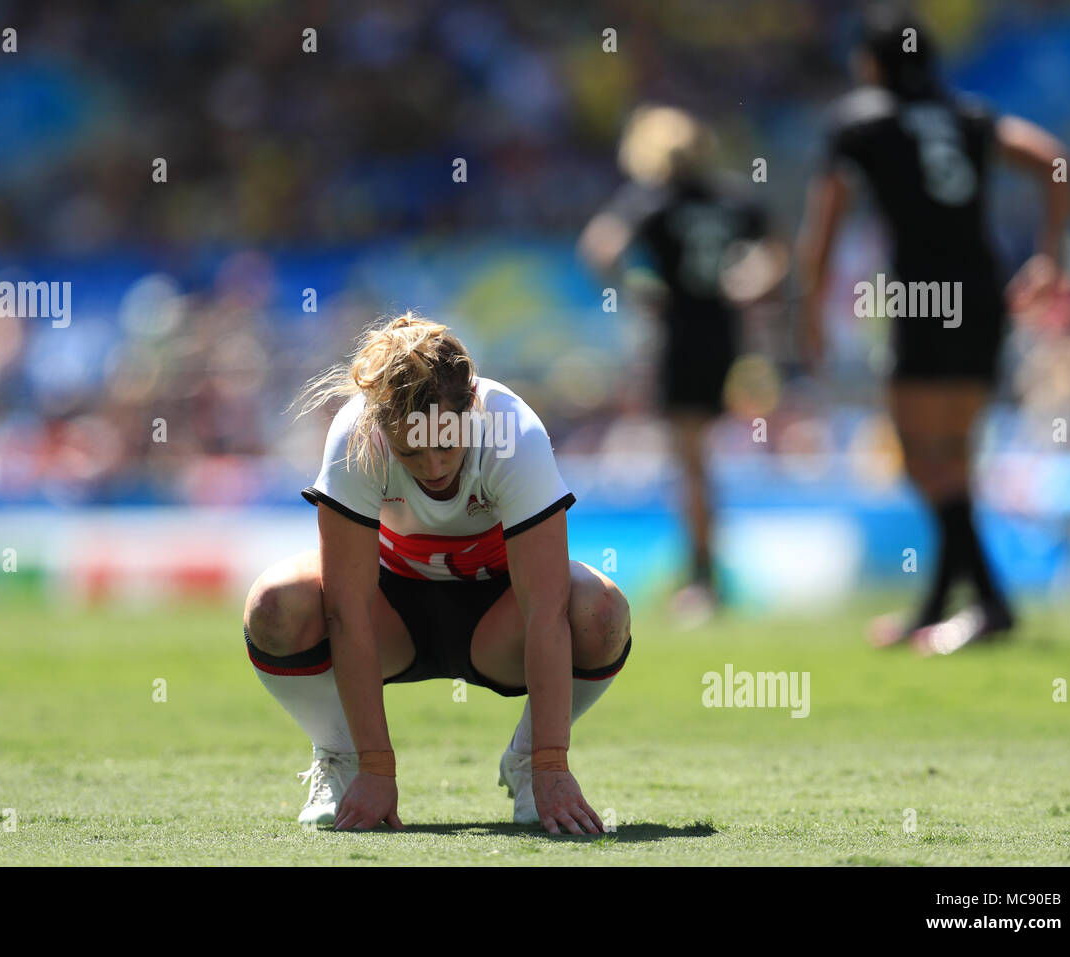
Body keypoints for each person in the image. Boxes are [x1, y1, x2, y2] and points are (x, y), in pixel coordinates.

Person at [243, 313, 632, 833]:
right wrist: (378, 766)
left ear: (470, 403)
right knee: (275, 604)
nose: (431, 467)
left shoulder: (513, 430)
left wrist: (551, 763)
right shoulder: (358, 431)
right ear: (381, 427)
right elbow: (348, 610)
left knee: (600, 611)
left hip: (501, 618)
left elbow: (545, 611)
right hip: (390, 614)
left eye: (445, 445)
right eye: (409, 451)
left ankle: (522, 761)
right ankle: (342, 758)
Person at [797, 3, 1070, 653]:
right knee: (955, 460)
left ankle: (992, 605)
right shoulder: (972, 116)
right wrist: (1050, 253)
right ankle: (939, 609)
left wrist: (809, 311)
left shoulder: (859, 123)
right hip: (982, 293)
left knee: (924, 459)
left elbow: (824, 229)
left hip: (923, 297)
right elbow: (1054, 159)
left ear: (870, 62)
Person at [579, 104, 787, 626]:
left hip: (675, 335)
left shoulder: (652, 200)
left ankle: (701, 579)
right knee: (702, 462)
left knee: (690, 463)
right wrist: (748, 285)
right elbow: (777, 249)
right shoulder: (731, 195)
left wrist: (639, 289)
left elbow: (599, 250)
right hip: (723, 332)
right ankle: (705, 572)